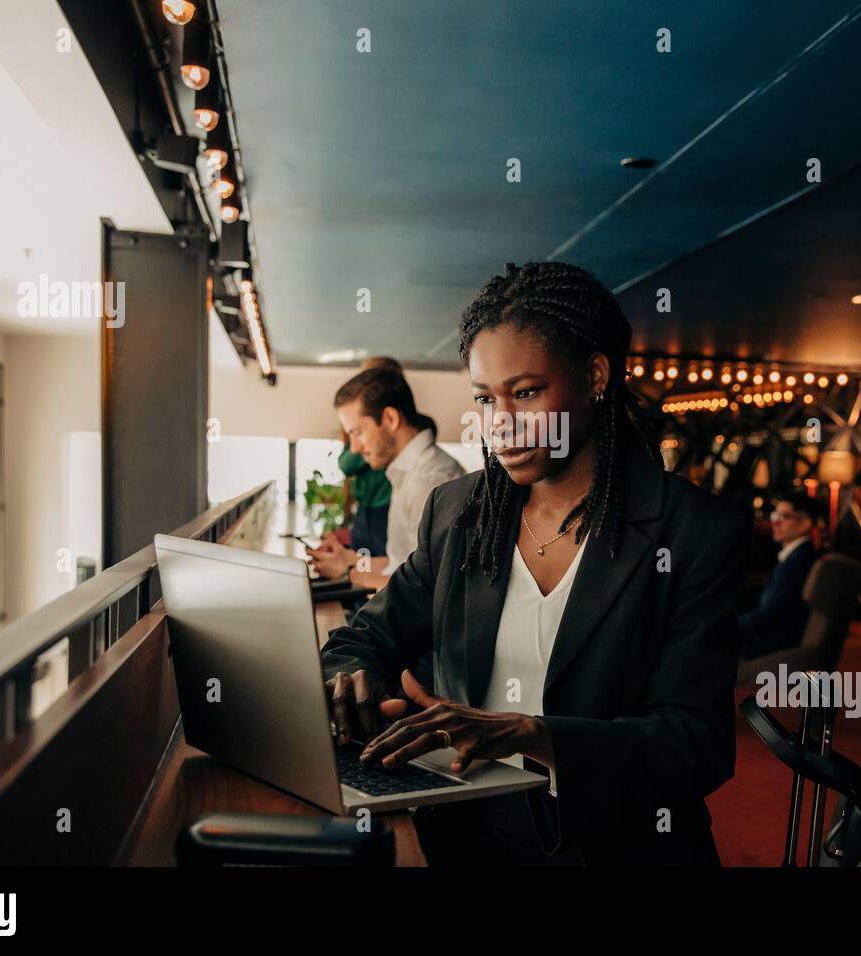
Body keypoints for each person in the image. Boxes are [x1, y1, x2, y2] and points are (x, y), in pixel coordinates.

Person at [320, 261, 745, 866]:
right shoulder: (457, 511)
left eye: (525, 393)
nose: (501, 424)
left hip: (619, 846)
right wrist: (350, 678)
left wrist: (533, 735)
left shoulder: (695, 529)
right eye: (485, 399)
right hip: (468, 835)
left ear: (595, 375)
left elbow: (695, 743)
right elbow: (363, 639)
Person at [306, 366, 463, 592]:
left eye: (357, 433)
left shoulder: (430, 480)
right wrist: (349, 560)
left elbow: (423, 589)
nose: (356, 448)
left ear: (389, 418)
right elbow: (398, 564)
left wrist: (347, 574)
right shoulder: (406, 473)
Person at [736, 491, 823, 659]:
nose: (774, 522)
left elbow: (770, 613)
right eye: (775, 514)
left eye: (784, 516)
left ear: (804, 524)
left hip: (773, 644)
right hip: (774, 637)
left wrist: (726, 626)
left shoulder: (797, 561)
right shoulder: (801, 555)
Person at [339, 357, 405, 557]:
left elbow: (347, 463)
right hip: (364, 510)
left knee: (385, 563)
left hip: (385, 509)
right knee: (364, 564)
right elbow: (346, 464)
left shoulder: (409, 427)